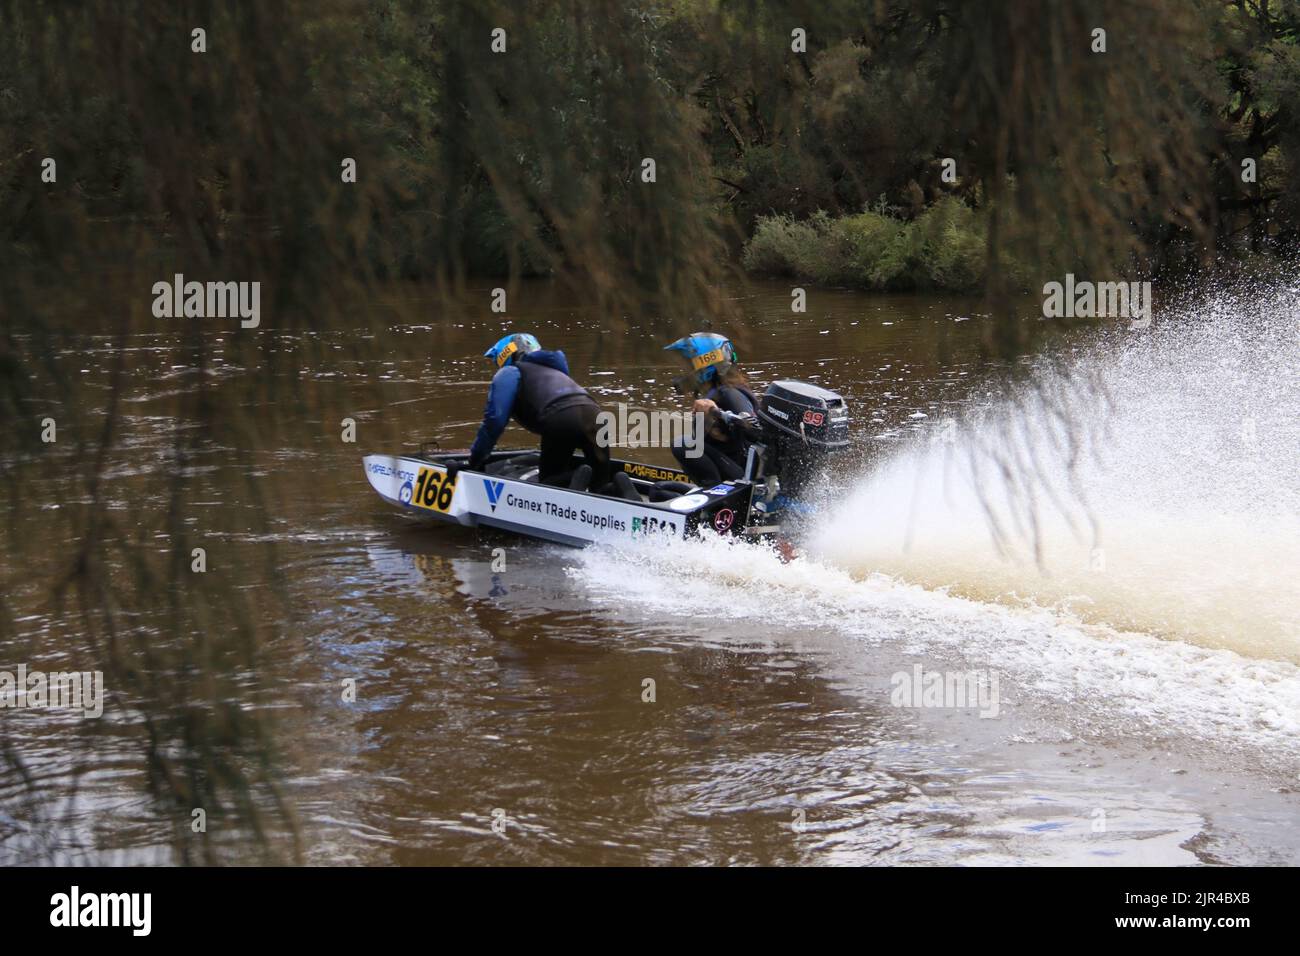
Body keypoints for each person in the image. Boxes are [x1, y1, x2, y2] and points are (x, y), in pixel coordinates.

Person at [458, 333, 615, 490]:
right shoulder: (556, 371)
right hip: (596, 416)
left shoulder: (509, 372)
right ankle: (617, 483)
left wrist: (475, 461)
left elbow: (495, 420)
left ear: (505, 355)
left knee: (549, 481)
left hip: (562, 418)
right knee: (601, 481)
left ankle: (576, 476)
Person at [663, 332, 762, 486]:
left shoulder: (729, 394)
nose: (684, 372)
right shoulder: (711, 396)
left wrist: (718, 412)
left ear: (706, 364)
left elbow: (757, 430)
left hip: (740, 478)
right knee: (659, 490)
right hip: (728, 472)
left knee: (683, 444)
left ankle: (714, 496)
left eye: (689, 366)